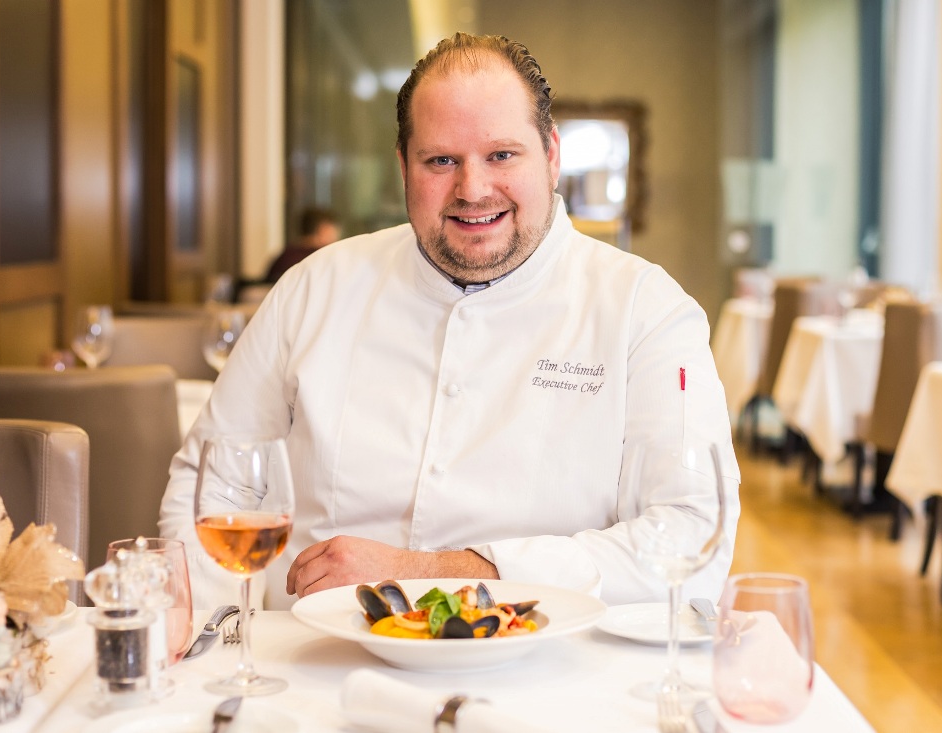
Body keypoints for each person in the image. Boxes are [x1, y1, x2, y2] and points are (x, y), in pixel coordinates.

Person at [159, 32, 740, 611]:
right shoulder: (315, 287)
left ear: (553, 155)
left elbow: (693, 535)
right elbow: (213, 481)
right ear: (403, 168)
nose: (473, 188)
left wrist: (439, 573)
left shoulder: (647, 311)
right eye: (440, 160)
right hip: (309, 668)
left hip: (542, 676)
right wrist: (209, 631)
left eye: (502, 155)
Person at [264, 207, 343, 283]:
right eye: (334, 230)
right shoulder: (320, 259)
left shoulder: (286, 256)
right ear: (324, 229)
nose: (337, 236)